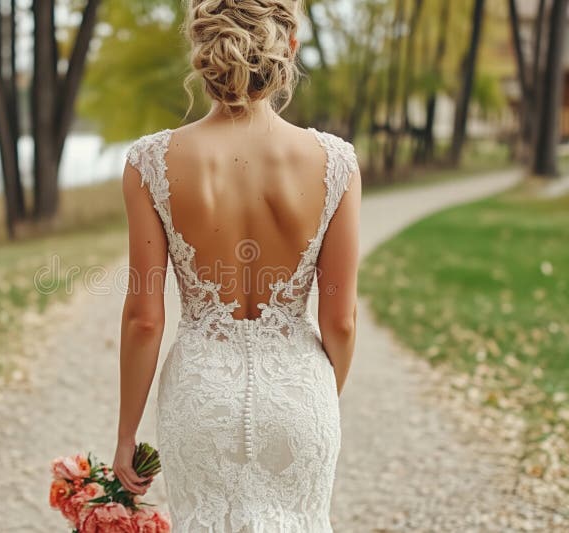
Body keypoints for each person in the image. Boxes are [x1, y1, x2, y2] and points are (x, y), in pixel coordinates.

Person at [112, 0, 361, 530]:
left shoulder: (149, 163)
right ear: (289, 47)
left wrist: (126, 435)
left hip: (201, 395)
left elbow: (144, 320)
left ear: (202, 50)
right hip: (299, 389)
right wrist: (314, 395)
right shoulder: (335, 162)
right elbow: (341, 321)